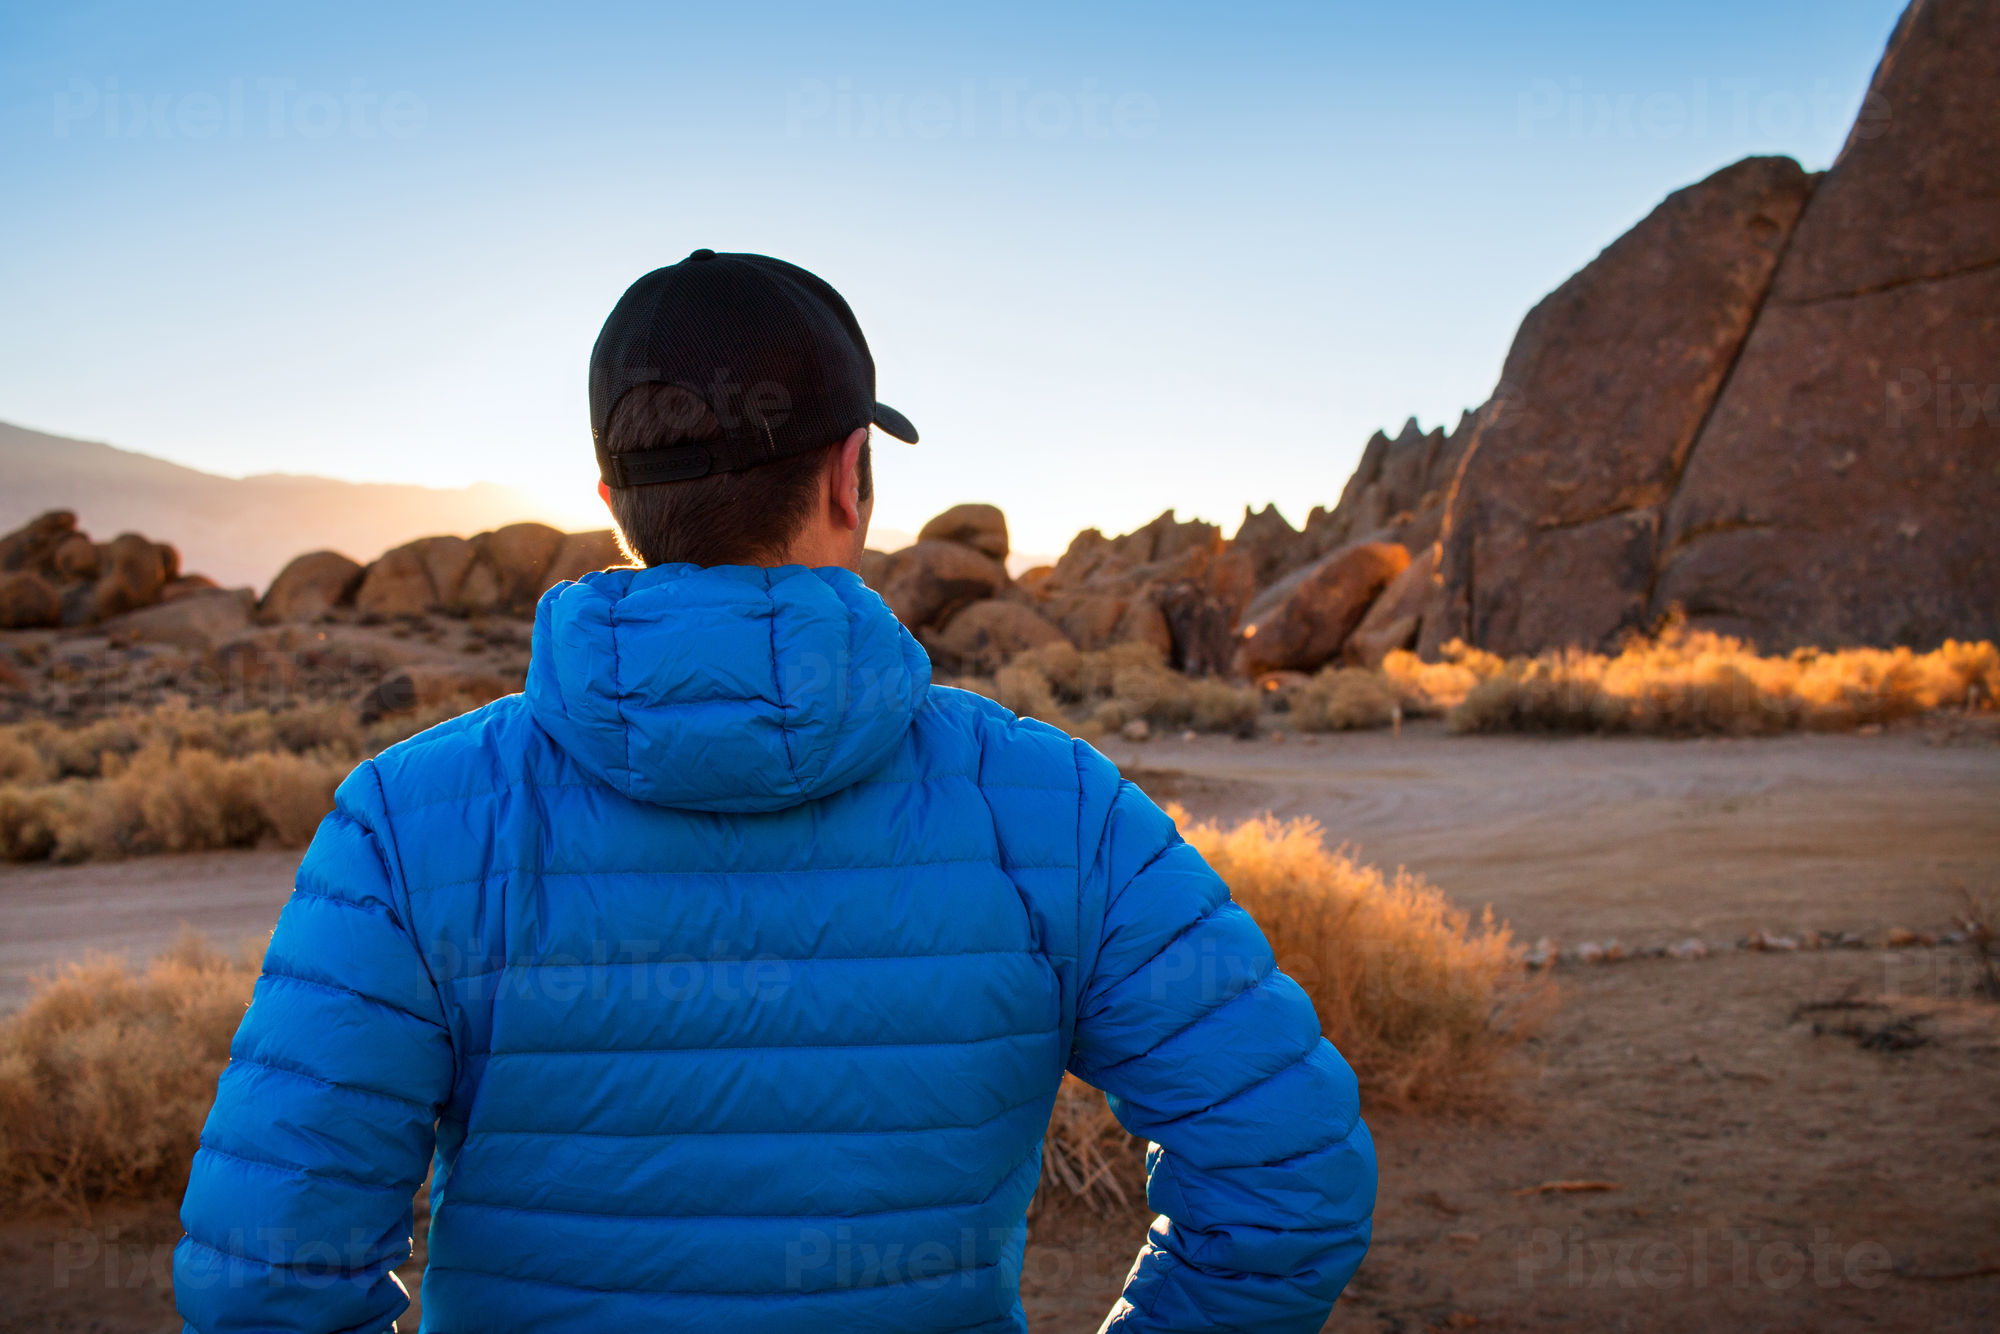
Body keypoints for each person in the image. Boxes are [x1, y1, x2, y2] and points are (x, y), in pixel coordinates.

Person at [174, 250, 1376, 1333]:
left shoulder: (405, 824)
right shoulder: (1054, 807)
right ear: (850, 477)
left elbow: (265, 1275)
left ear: (614, 503)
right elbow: (1289, 1182)